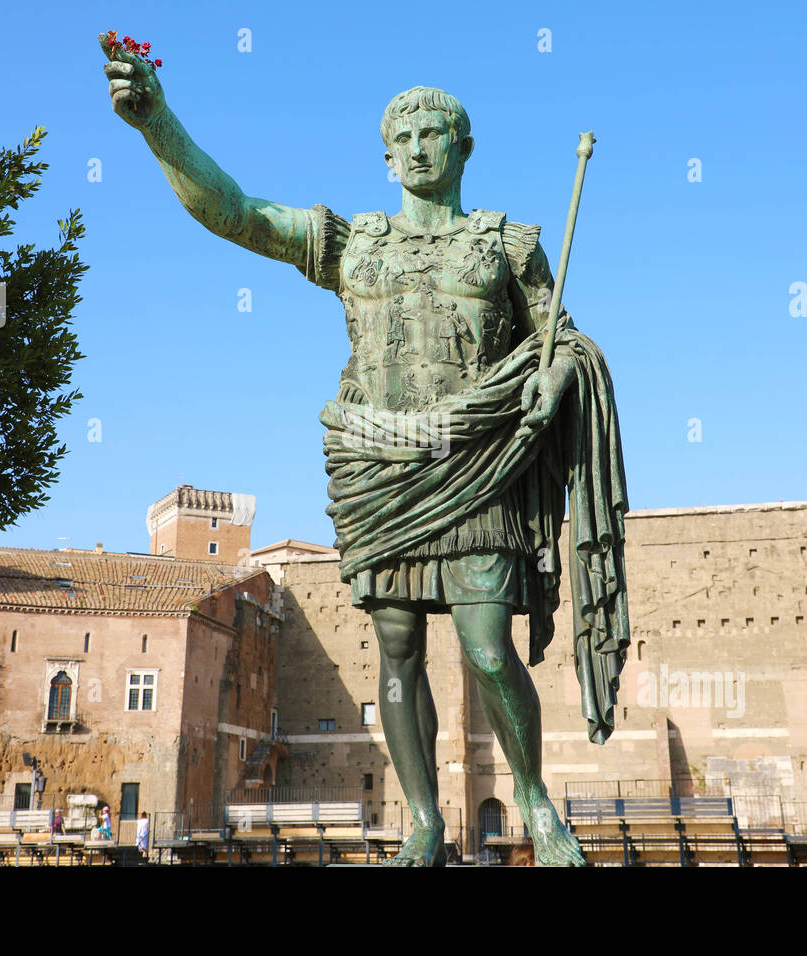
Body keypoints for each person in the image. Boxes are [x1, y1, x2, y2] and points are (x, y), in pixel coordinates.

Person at [103, 45, 631, 868]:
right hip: (380, 466)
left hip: (476, 464)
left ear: (463, 148)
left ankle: (532, 797)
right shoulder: (356, 245)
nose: (418, 147)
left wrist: (555, 377)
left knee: (488, 645)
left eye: (434, 133)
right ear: (387, 156)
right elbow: (235, 210)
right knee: (398, 648)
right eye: (404, 136)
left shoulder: (506, 245)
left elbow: (561, 340)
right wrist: (156, 125)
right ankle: (423, 821)